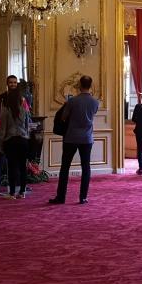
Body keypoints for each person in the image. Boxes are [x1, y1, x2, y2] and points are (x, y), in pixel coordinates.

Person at [49, 75, 99, 205]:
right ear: (90, 85)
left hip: (71, 137)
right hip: (87, 138)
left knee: (65, 167)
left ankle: (61, 197)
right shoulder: (95, 102)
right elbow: (91, 115)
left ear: (79, 85)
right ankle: (83, 197)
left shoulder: (72, 101)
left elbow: (64, 118)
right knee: (86, 167)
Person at [0, 85, 32, 199]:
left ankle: (12, 192)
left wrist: (1, 143)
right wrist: (27, 137)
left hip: (11, 140)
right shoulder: (24, 109)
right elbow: (28, 126)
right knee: (23, 167)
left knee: (12, 167)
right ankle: (22, 192)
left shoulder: (6, 109)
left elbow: (3, 129)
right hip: (23, 140)